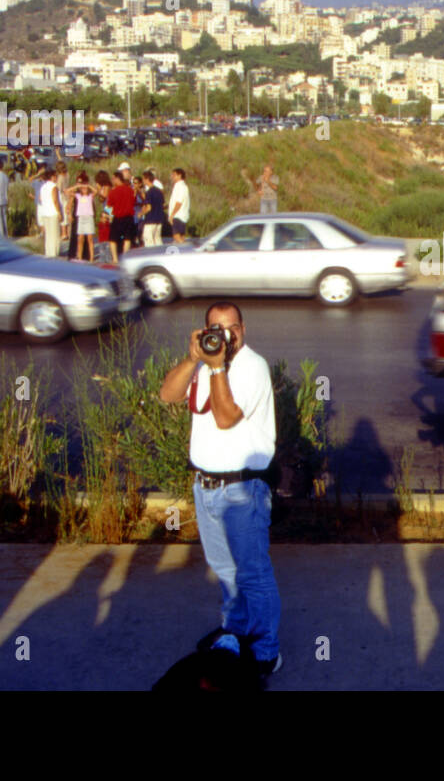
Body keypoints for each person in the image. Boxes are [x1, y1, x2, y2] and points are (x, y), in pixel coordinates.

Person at [158, 301, 281, 676]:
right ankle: (234, 633)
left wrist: (216, 368)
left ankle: (265, 652)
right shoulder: (205, 361)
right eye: (216, 328)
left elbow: (226, 418)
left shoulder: (251, 366)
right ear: (205, 331)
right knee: (225, 571)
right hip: (206, 485)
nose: (226, 335)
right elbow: (168, 394)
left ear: (244, 329)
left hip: (242, 488)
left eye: (232, 328)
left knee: (252, 574)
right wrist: (193, 358)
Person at [67, 172, 98, 262]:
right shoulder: (77, 195)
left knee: (89, 238)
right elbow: (69, 200)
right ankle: (76, 255)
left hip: (88, 216)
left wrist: (87, 186)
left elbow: (95, 193)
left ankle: (88, 256)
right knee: (78, 237)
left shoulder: (89, 196)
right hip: (79, 215)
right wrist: (77, 186)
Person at [108, 170, 137, 262]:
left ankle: (115, 259)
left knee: (113, 239)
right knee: (127, 238)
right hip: (129, 217)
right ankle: (125, 257)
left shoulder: (113, 191)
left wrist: (106, 215)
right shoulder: (130, 190)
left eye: (113, 179)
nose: (112, 181)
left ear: (117, 179)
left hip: (118, 216)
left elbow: (109, 205)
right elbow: (133, 202)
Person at [37, 168, 62, 257]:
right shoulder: (54, 187)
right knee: (55, 236)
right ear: (52, 177)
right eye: (55, 176)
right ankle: (54, 253)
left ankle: (48, 253)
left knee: (48, 236)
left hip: (45, 213)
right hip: (53, 213)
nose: (57, 178)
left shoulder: (43, 187)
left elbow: (40, 198)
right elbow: (55, 200)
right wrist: (59, 212)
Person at [141, 169, 167, 247]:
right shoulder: (159, 191)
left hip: (150, 220)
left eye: (143, 179)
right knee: (157, 239)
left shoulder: (149, 193)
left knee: (148, 239)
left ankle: (150, 255)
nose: (143, 181)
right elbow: (163, 204)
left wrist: (141, 213)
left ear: (147, 179)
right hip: (159, 219)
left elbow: (149, 207)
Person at [169, 168, 191, 243]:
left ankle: (186, 250)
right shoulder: (182, 186)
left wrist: (172, 214)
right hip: (182, 215)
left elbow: (179, 202)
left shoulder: (180, 186)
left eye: (174, 175)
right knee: (181, 236)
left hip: (178, 215)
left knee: (176, 235)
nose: (172, 176)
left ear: (179, 175)